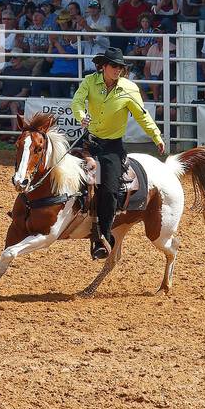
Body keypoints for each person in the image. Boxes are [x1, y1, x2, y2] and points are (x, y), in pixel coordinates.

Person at [71, 47, 166, 260]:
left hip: (112, 147)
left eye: (120, 67)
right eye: (114, 66)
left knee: (109, 189)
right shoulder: (89, 81)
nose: (118, 70)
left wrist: (156, 136)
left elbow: (142, 115)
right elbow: (77, 101)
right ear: (103, 66)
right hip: (89, 142)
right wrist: (81, 115)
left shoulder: (129, 88)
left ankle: (103, 236)